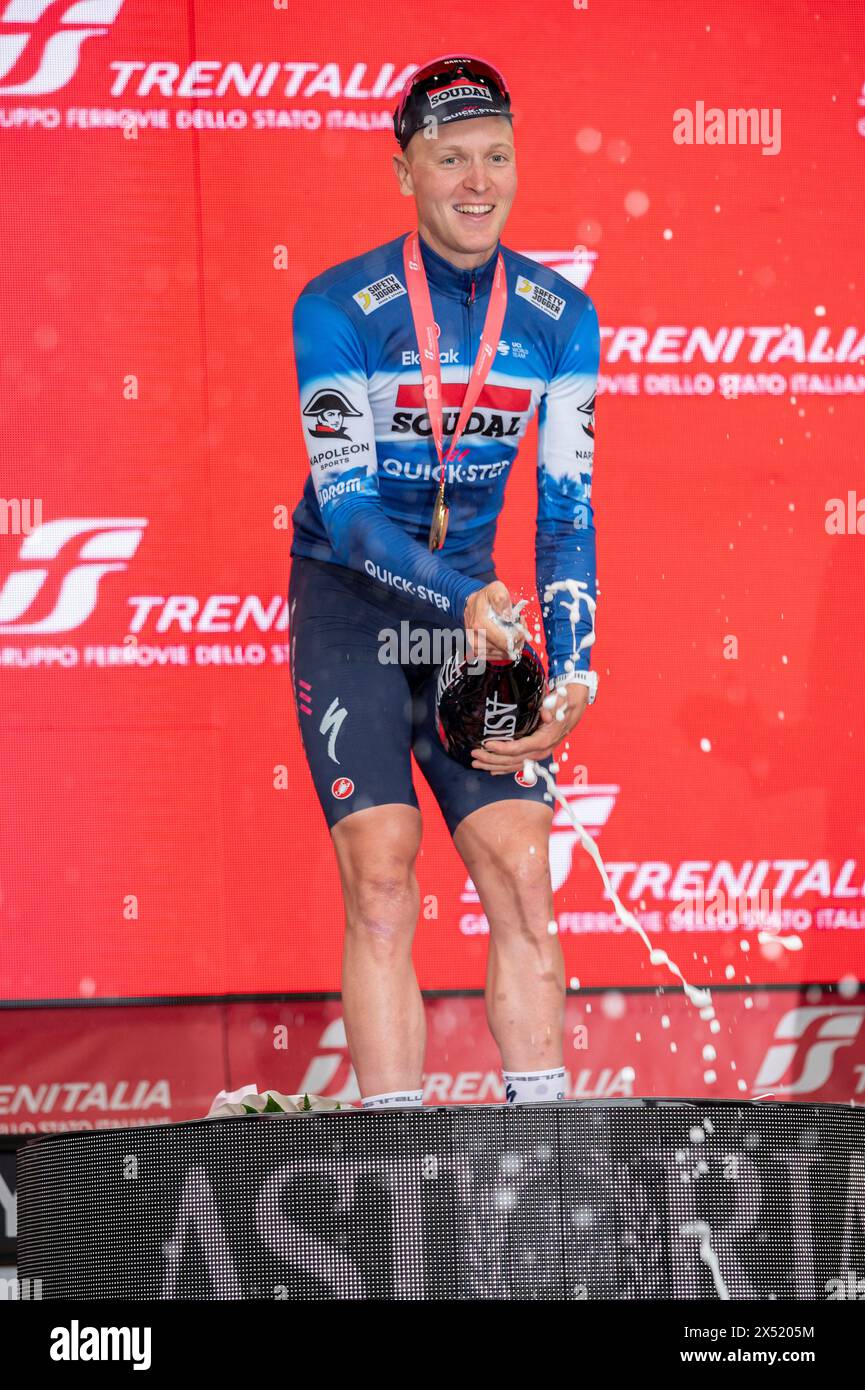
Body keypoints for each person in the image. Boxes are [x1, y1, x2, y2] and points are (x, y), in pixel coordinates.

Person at [288, 54, 601, 1110]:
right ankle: (389, 1171)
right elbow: (352, 516)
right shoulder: (336, 305)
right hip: (355, 601)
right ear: (404, 172)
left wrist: (574, 674)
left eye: (497, 156)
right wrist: (460, 597)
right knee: (382, 873)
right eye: (452, 157)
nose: (479, 181)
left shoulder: (559, 315)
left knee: (522, 870)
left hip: (474, 613)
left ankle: (548, 1157)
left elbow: (565, 511)